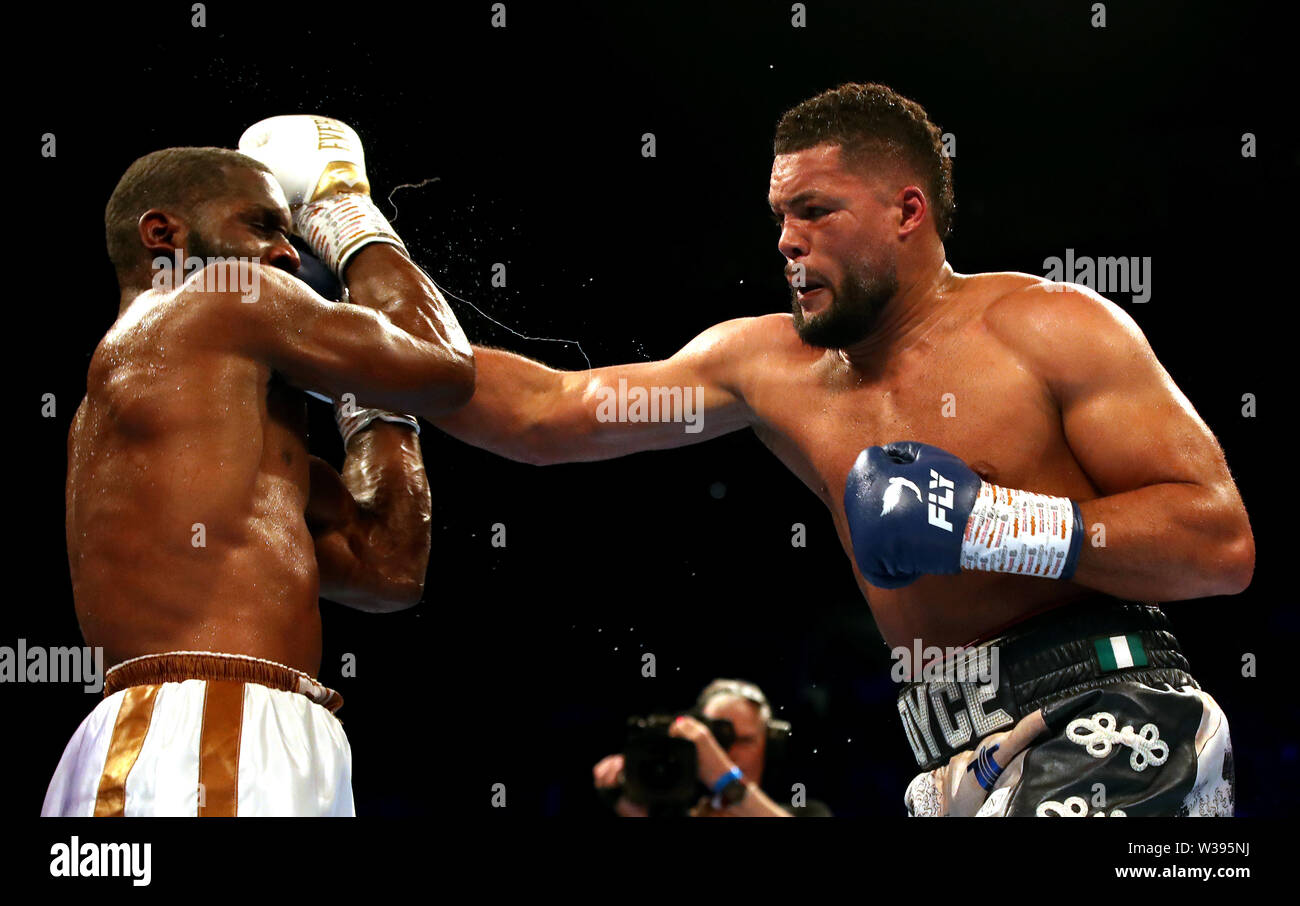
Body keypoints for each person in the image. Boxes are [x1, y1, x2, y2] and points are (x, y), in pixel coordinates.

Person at [433, 84, 1252, 816]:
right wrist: (352, 329)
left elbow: (1218, 544)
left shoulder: (1051, 327)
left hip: (1109, 711)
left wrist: (991, 523)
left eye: (816, 211)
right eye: (780, 216)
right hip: (946, 760)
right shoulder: (765, 369)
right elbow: (544, 412)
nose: (787, 240)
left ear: (906, 211)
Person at [43, 116, 473, 816]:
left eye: (293, 235)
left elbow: (389, 570)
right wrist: (349, 218)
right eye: (262, 226)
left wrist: (368, 398)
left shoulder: (185, 430)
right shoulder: (224, 296)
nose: (288, 256)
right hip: (211, 730)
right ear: (164, 236)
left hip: (222, 729)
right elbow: (446, 371)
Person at [593, 679, 830, 816]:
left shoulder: (805, 812)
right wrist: (627, 791)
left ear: (769, 746)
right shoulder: (669, 812)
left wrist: (726, 781)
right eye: (716, 742)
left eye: (745, 740)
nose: (727, 753)